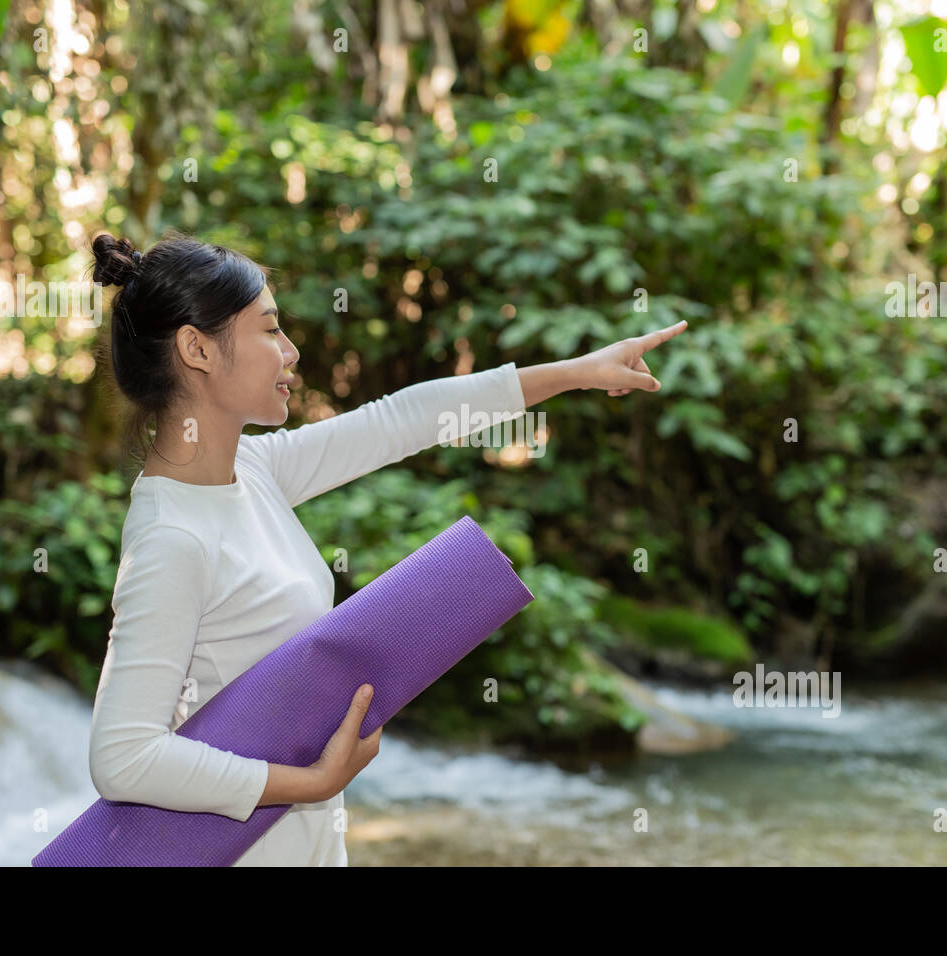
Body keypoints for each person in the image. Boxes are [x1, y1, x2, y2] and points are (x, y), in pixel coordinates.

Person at [85, 230, 687, 865]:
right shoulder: (171, 536)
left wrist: (579, 373)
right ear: (196, 348)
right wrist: (310, 783)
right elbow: (123, 756)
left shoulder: (253, 471)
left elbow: (403, 419)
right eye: (269, 330)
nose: (291, 352)